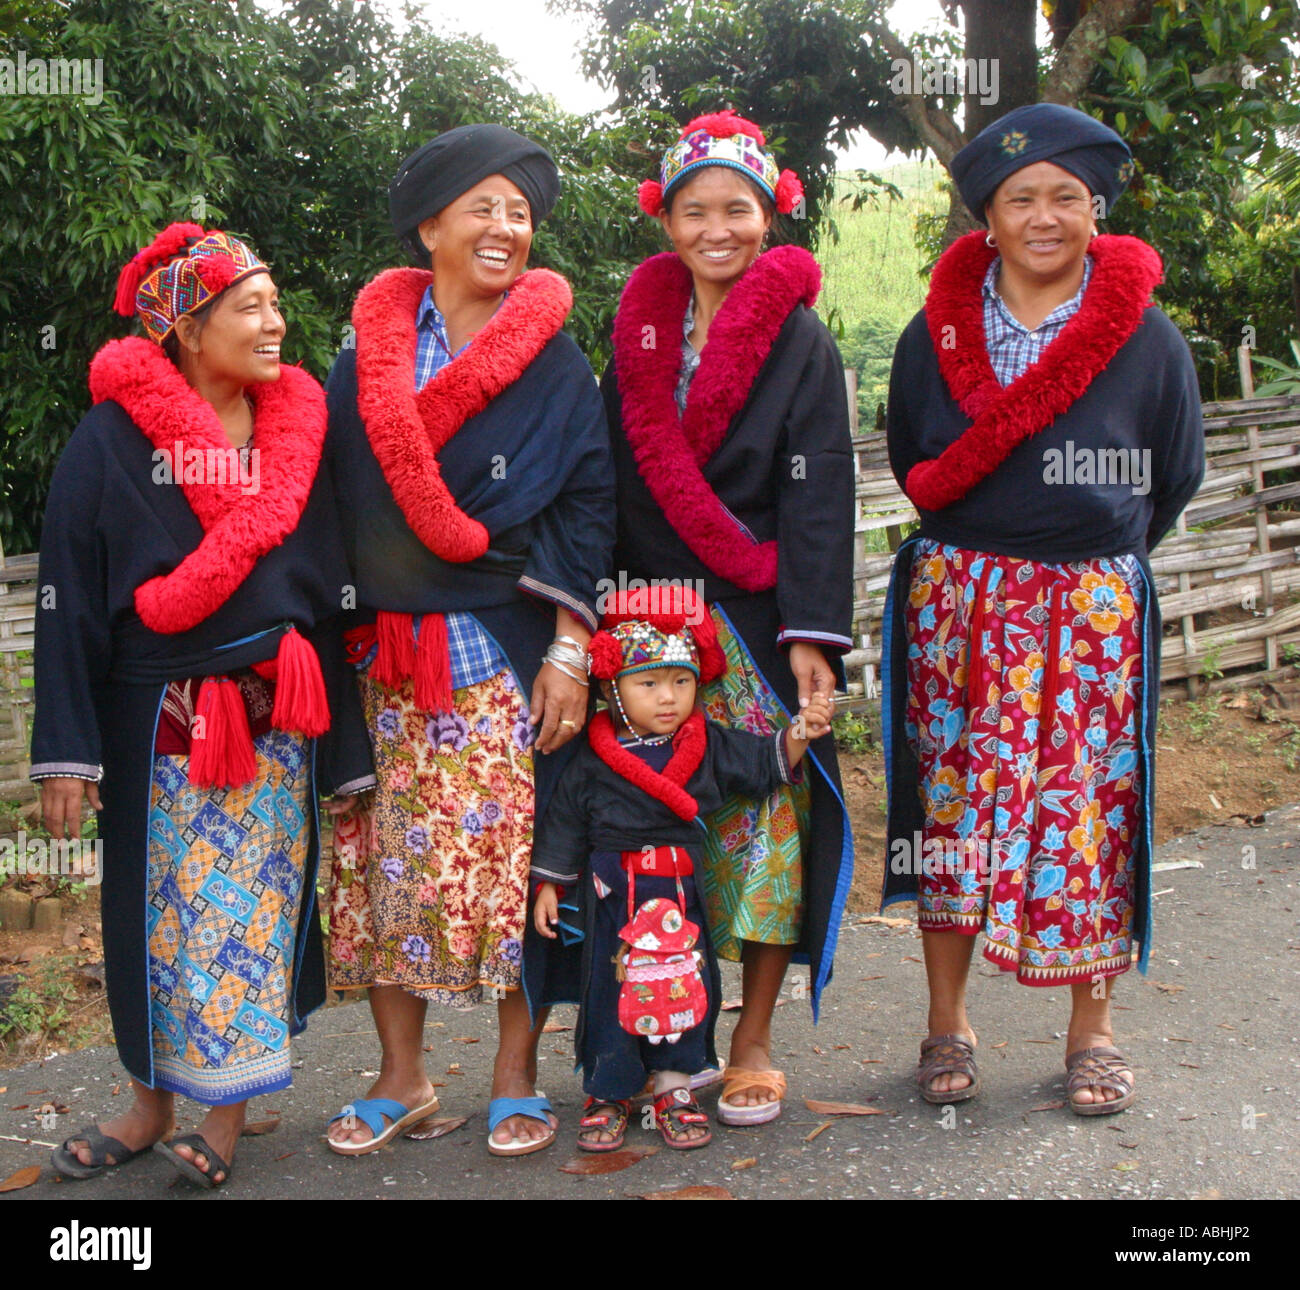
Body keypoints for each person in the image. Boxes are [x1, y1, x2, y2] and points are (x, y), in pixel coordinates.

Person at [881, 103, 1205, 1114]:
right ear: (988, 217)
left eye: (1066, 196)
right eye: (1020, 199)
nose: (1044, 217)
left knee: (1089, 809)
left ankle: (1091, 1033)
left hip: (1090, 610)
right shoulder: (936, 334)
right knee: (950, 807)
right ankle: (947, 1023)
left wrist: (1085, 556)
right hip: (959, 606)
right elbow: (911, 453)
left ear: (1095, 209)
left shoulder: (1146, 338)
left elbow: (1175, 474)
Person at [35, 223, 374, 1187]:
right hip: (156, 725)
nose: (275, 325)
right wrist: (68, 753)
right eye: (250, 308)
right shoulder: (109, 443)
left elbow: (332, 595)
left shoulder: (297, 436)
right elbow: (67, 596)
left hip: (276, 725)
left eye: (275, 305)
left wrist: (347, 753)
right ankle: (150, 1104)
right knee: (155, 924)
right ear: (187, 329)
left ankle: (225, 1113)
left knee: (250, 919)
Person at [323, 124, 615, 1156]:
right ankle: (401, 1077)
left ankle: (515, 1071)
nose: (505, 227)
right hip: (383, 652)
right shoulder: (364, 357)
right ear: (429, 227)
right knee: (382, 862)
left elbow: (588, 503)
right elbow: (332, 499)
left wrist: (570, 648)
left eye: (519, 213)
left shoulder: (557, 365)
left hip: (504, 642)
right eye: (482, 207)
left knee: (516, 860)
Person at [584, 110, 856, 1126]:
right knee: (652, 832)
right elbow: (605, 482)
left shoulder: (802, 343)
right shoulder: (640, 339)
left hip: (757, 616)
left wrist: (812, 636)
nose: (716, 229)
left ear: (768, 212)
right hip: (651, 624)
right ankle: (656, 1043)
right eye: (694, 210)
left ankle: (753, 1041)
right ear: (666, 221)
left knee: (769, 827)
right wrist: (593, 618)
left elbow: (819, 494)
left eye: (736, 208)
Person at [532, 587, 832, 1150]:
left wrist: (800, 731)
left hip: (679, 900)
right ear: (612, 690)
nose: (668, 697)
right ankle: (609, 1092)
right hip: (613, 899)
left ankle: (675, 1087)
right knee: (611, 990)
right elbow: (564, 822)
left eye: (681, 681)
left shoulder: (705, 742)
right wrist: (551, 883)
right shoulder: (591, 758)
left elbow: (762, 762)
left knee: (683, 988)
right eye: (648, 684)